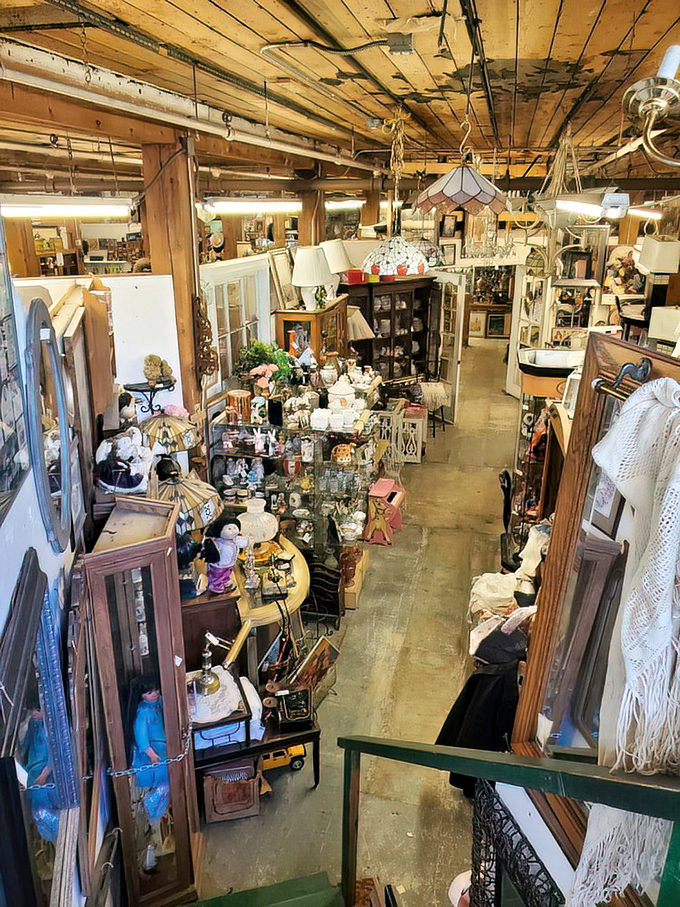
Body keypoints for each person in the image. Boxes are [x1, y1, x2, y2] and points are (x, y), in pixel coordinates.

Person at [21, 699, 60, 843]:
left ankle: (57, 841)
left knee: (45, 813)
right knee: (39, 814)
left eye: (36, 710)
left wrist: (45, 774)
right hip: (33, 775)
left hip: (45, 778)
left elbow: (56, 753)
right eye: (31, 711)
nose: (33, 714)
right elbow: (26, 746)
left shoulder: (53, 727)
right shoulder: (34, 724)